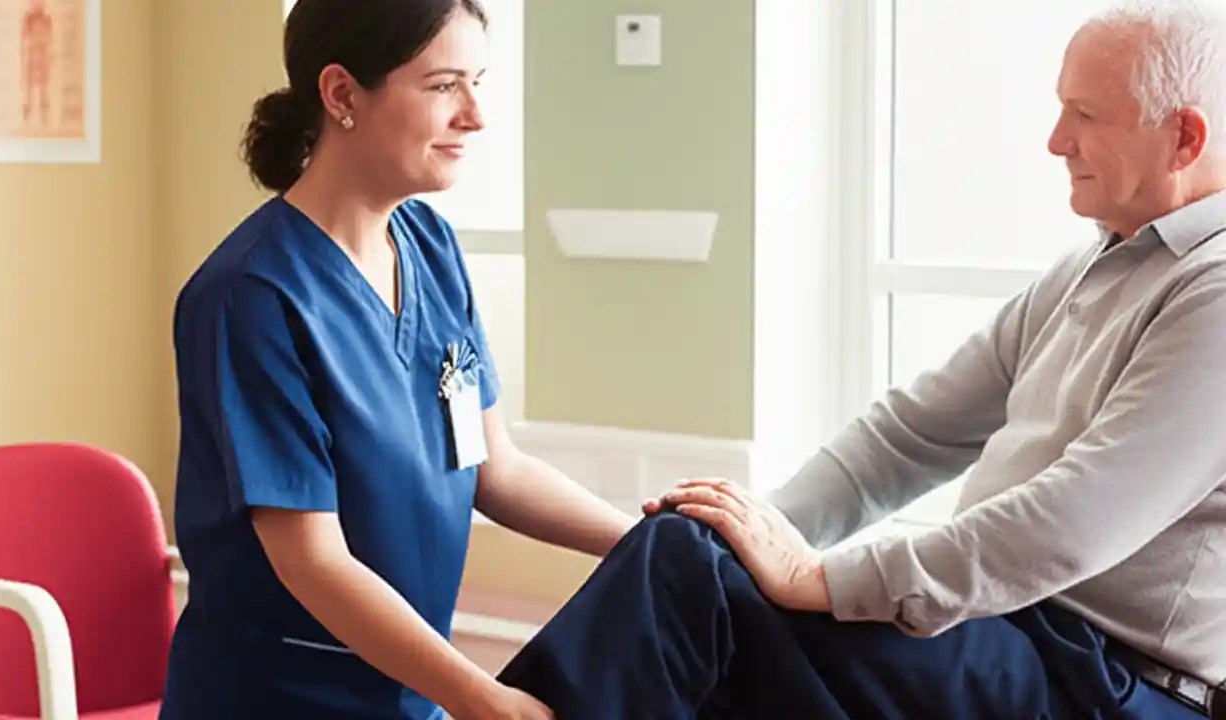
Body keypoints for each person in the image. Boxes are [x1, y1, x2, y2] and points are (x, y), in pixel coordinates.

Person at [496, 1, 1226, 717]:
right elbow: (907, 435)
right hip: (1010, 632)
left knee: (698, 593)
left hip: (1104, 681)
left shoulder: (1214, 291)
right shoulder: (1096, 266)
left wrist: (819, 576)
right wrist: (750, 534)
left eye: (1085, 116)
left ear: (1184, 138)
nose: (1055, 140)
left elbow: (1068, 527)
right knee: (692, 554)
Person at [158, 1, 634, 718]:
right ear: (342, 94)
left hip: (411, 698)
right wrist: (485, 700)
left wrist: (648, 542)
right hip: (277, 702)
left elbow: (494, 469)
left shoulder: (431, 248)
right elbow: (313, 561)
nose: (475, 114)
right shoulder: (250, 298)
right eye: (444, 86)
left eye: (478, 81)